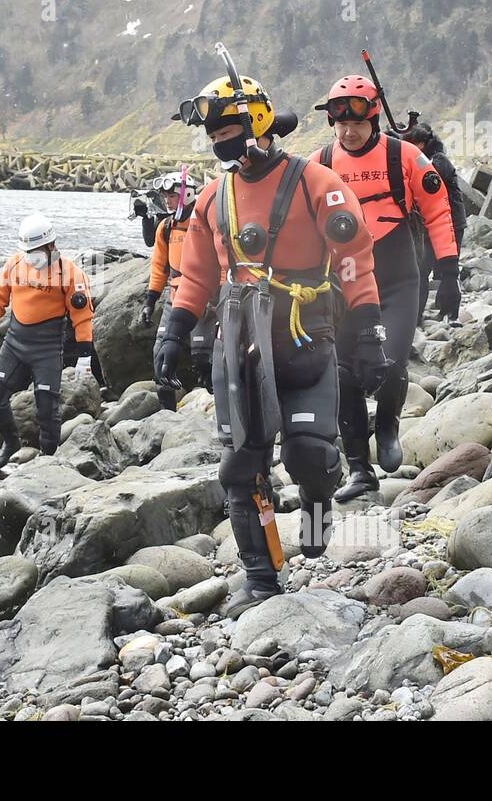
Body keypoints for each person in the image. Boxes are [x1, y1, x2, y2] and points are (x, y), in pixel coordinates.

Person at [159, 69, 386, 616]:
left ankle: (314, 516)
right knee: (242, 467)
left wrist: (369, 331)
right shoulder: (213, 199)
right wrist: (174, 330)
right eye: (212, 138)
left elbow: (354, 259)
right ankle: (262, 578)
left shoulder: (317, 184)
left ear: (257, 123)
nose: (220, 146)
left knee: (311, 457)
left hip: (307, 339)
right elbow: (196, 276)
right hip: (239, 348)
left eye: (228, 132)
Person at [308, 75, 460, 501]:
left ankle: (389, 423)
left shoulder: (405, 156)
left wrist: (449, 273)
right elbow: (300, 226)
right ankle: (359, 468)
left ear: (373, 119)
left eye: (356, 124)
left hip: (397, 277)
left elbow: (438, 212)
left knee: (389, 362)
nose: (348, 132)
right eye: (340, 126)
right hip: (341, 284)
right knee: (344, 374)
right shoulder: (319, 164)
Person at [0, 214, 96, 469]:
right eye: (26, 250)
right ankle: (11, 443)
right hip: (14, 343)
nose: (30, 255)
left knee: (47, 407)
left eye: (35, 250)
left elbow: (82, 315)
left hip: (47, 348)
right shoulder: (14, 264)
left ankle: (47, 460)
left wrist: (84, 355)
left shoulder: (70, 273)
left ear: (50, 246)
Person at [141, 170, 215, 409]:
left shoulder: (207, 221)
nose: (168, 201)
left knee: (205, 357)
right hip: (175, 297)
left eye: (172, 196)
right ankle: (166, 412)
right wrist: (150, 301)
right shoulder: (166, 227)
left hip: (204, 297)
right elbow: (159, 266)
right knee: (159, 352)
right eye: (165, 197)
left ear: (187, 194)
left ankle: (216, 408)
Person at [402, 120, 466, 325]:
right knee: (422, 270)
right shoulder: (426, 159)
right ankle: (422, 315)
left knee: (447, 271)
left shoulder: (437, 161)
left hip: (451, 223)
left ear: (420, 144)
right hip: (429, 224)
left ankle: (451, 315)